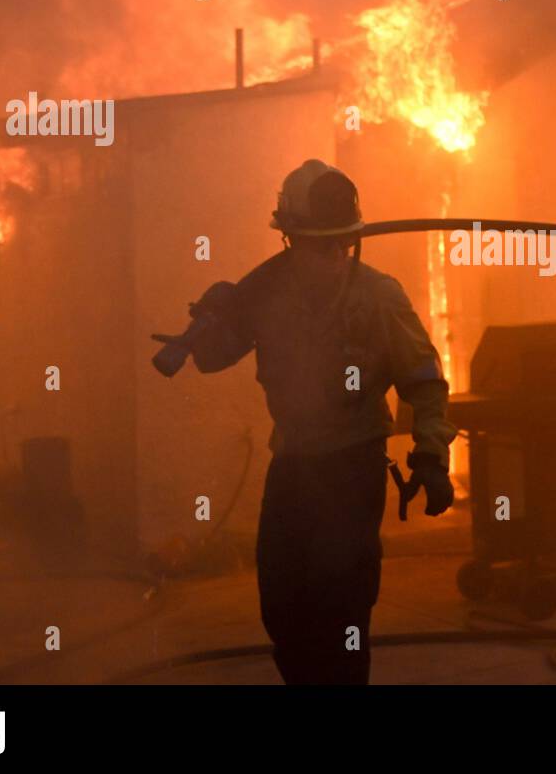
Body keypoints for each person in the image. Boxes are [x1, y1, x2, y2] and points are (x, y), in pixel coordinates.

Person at [183, 159, 456, 684]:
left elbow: (423, 380)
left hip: (353, 469)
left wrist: (431, 454)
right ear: (289, 238)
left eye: (343, 245)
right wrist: (210, 320)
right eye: (320, 246)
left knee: (342, 610)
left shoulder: (379, 296)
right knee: (283, 608)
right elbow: (213, 357)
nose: (334, 257)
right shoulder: (264, 291)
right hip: (292, 466)